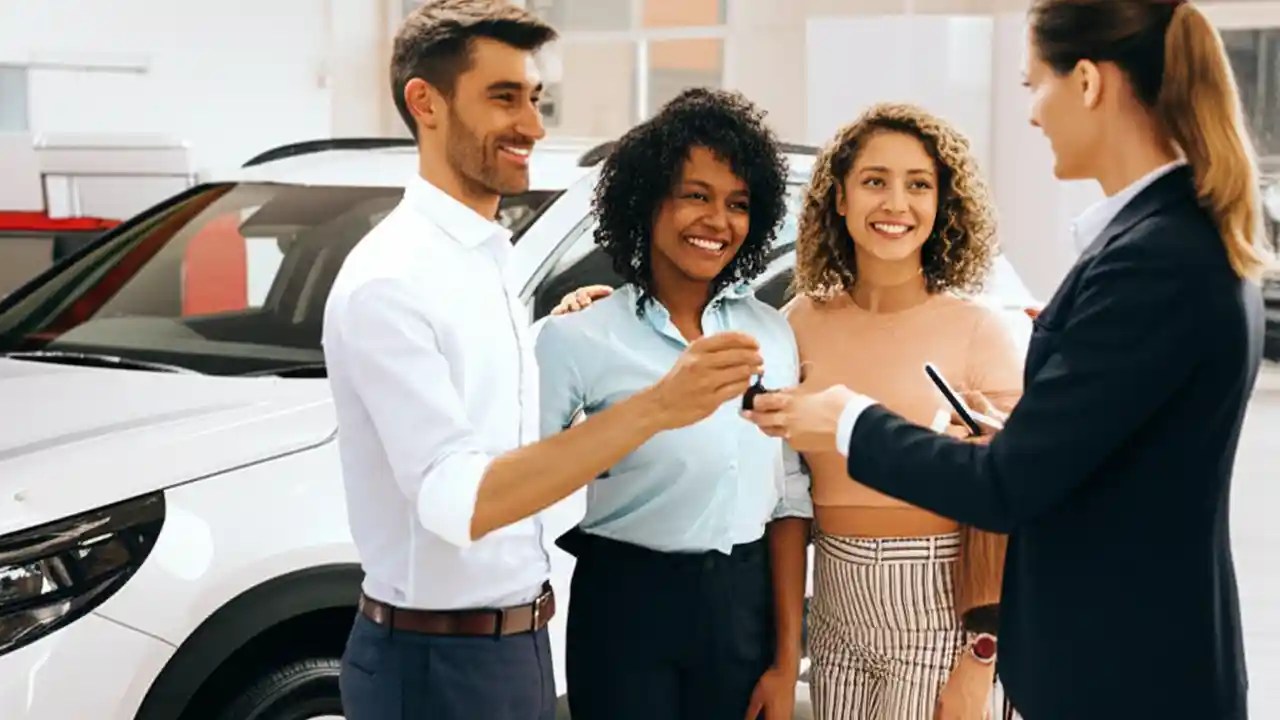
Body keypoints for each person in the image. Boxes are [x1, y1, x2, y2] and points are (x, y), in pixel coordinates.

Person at [744, 1, 1268, 718]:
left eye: (1032, 85)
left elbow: (1007, 489)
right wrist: (1019, 438)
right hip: (1129, 664)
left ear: (1087, 82)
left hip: (1126, 677)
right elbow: (1099, 464)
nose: (1031, 114)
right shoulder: (1169, 242)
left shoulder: (1154, 260)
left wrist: (847, 421)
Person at [322, 3, 763, 719]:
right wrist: (657, 406)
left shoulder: (482, 258)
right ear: (425, 102)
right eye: (504, 98)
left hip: (517, 647)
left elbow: (495, 423)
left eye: (535, 98)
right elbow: (458, 502)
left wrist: (551, 340)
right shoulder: (391, 281)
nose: (532, 125)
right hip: (436, 665)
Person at [535, 87, 807, 720]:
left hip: (743, 607)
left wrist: (785, 661)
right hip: (625, 608)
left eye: (737, 204)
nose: (718, 221)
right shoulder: (579, 336)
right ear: (647, 200)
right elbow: (524, 485)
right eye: (696, 195)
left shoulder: (772, 333)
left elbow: (789, 498)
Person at [782, 102, 1024, 720]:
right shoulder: (799, 322)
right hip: (833, 610)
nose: (896, 203)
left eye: (918, 185)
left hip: (943, 617)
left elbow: (1021, 511)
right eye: (875, 181)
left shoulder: (980, 330)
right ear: (839, 197)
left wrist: (982, 659)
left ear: (943, 203)